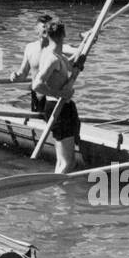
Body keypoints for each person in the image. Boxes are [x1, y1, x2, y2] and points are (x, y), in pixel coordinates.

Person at [33, 21, 82, 173]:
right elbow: (37, 85)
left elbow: (70, 65)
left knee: (61, 161)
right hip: (59, 109)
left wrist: (86, 42)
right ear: (64, 35)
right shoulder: (52, 59)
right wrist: (60, 94)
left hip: (58, 108)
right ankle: (59, 191)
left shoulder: (53, 54)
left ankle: (57, 195)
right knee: (69, 163)